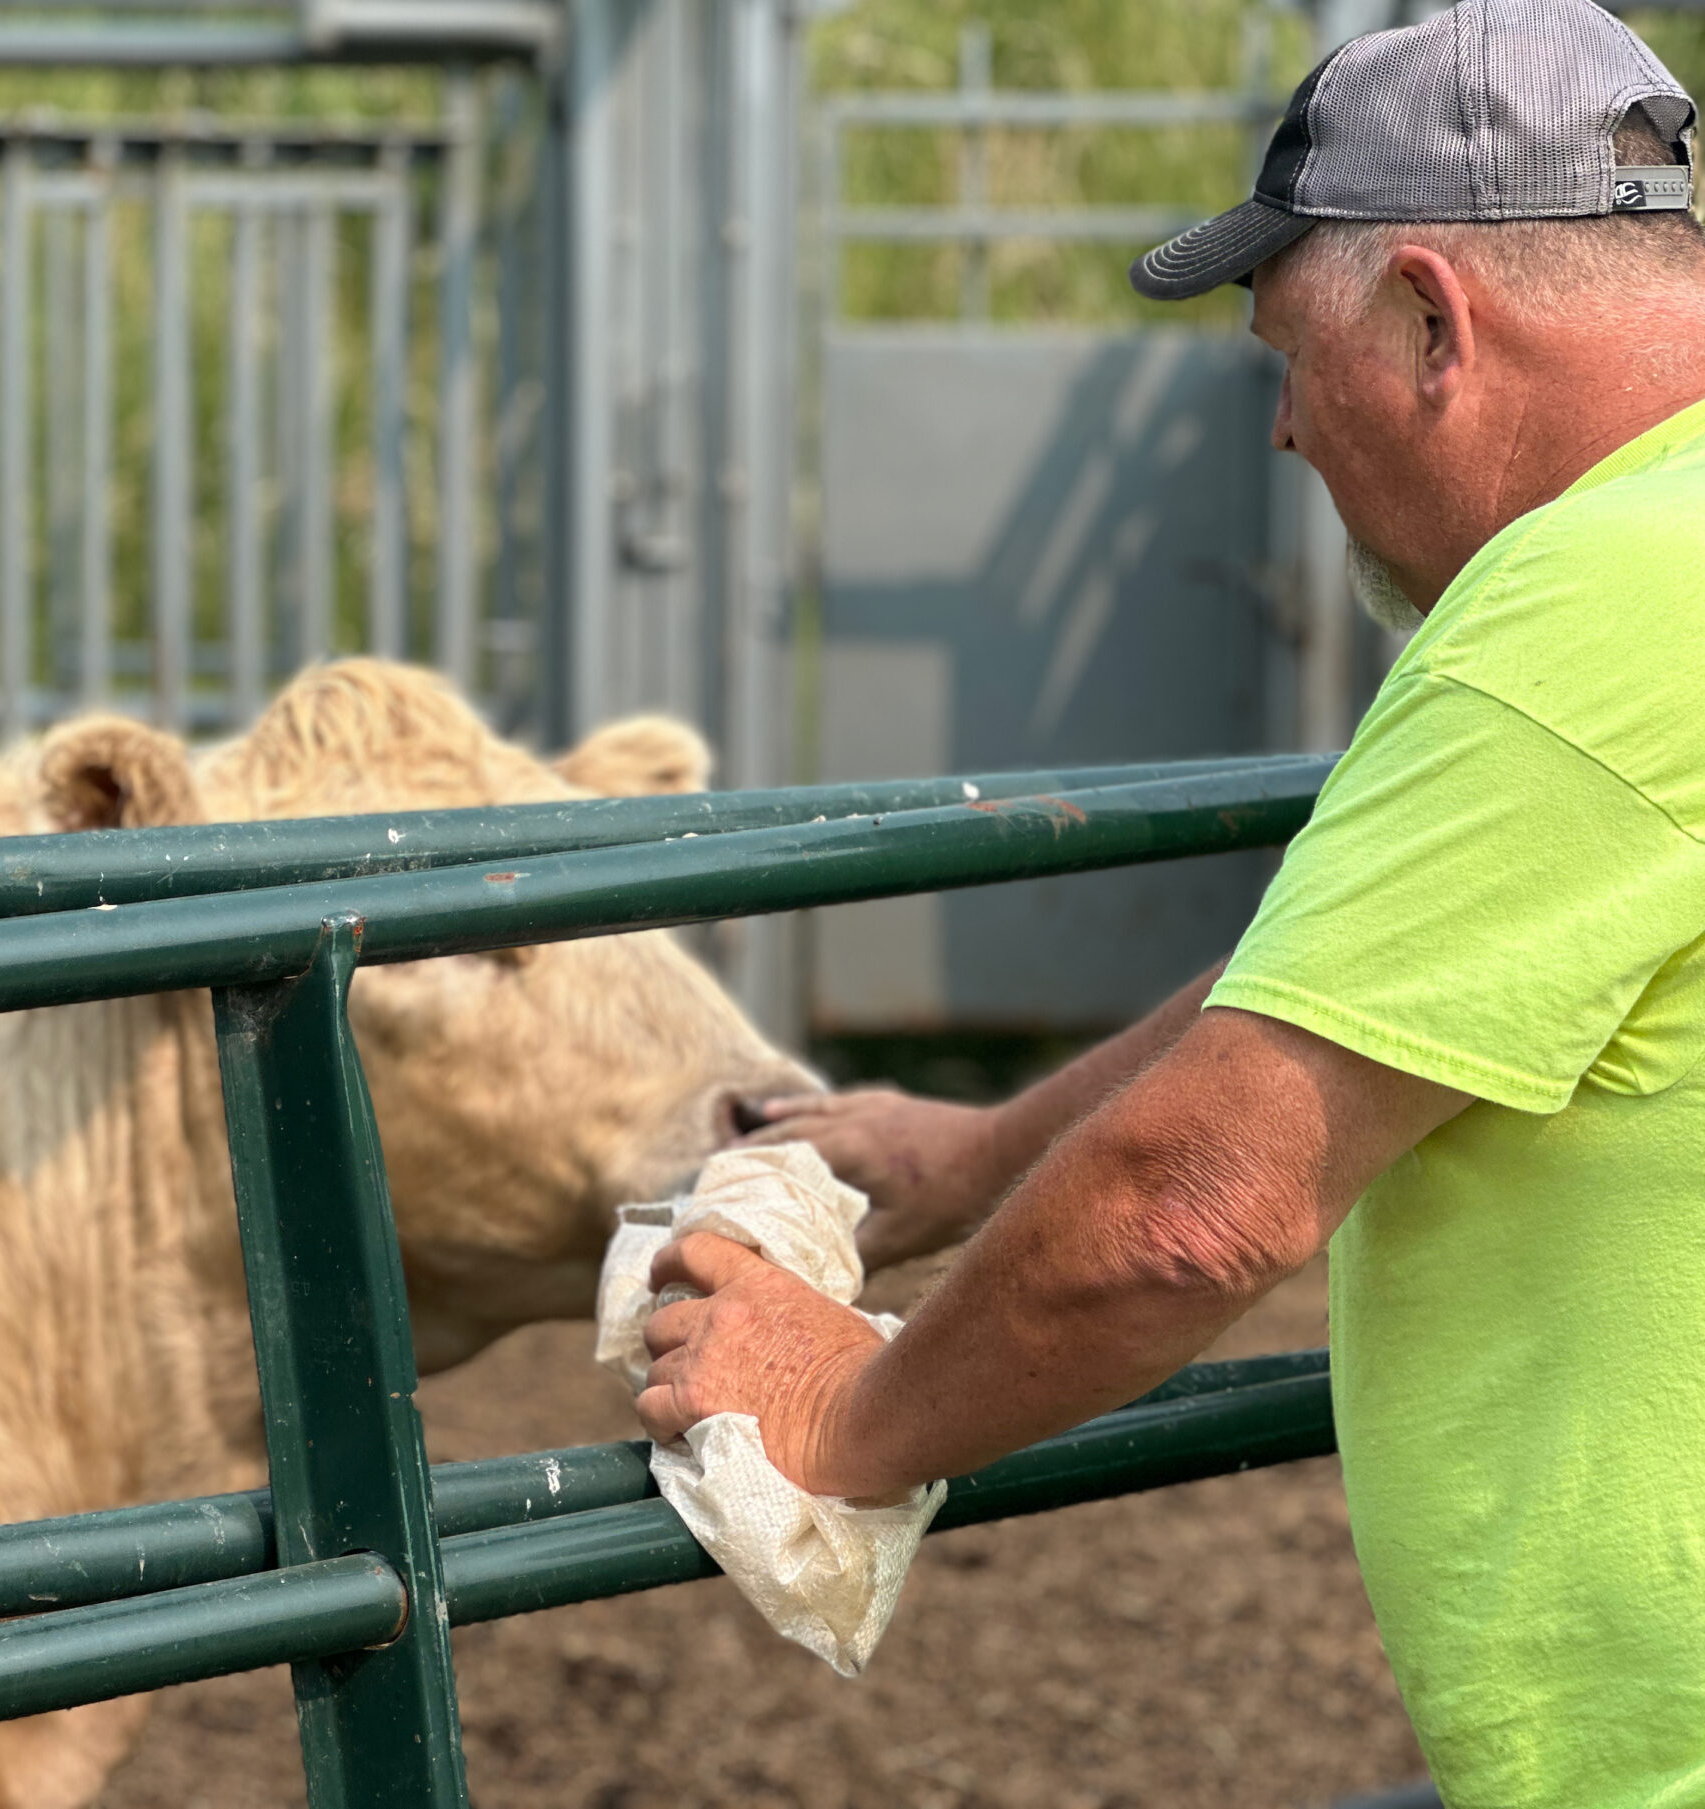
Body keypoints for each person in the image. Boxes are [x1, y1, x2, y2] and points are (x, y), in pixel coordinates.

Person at [634, 2, 1705, 1803]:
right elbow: (1355, 983)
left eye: (1290, 356)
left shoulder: (1594, 607)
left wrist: (845, 1410)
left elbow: (1197, 1208)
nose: (1285, 434)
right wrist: (978, 1163)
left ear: (1436, 320)